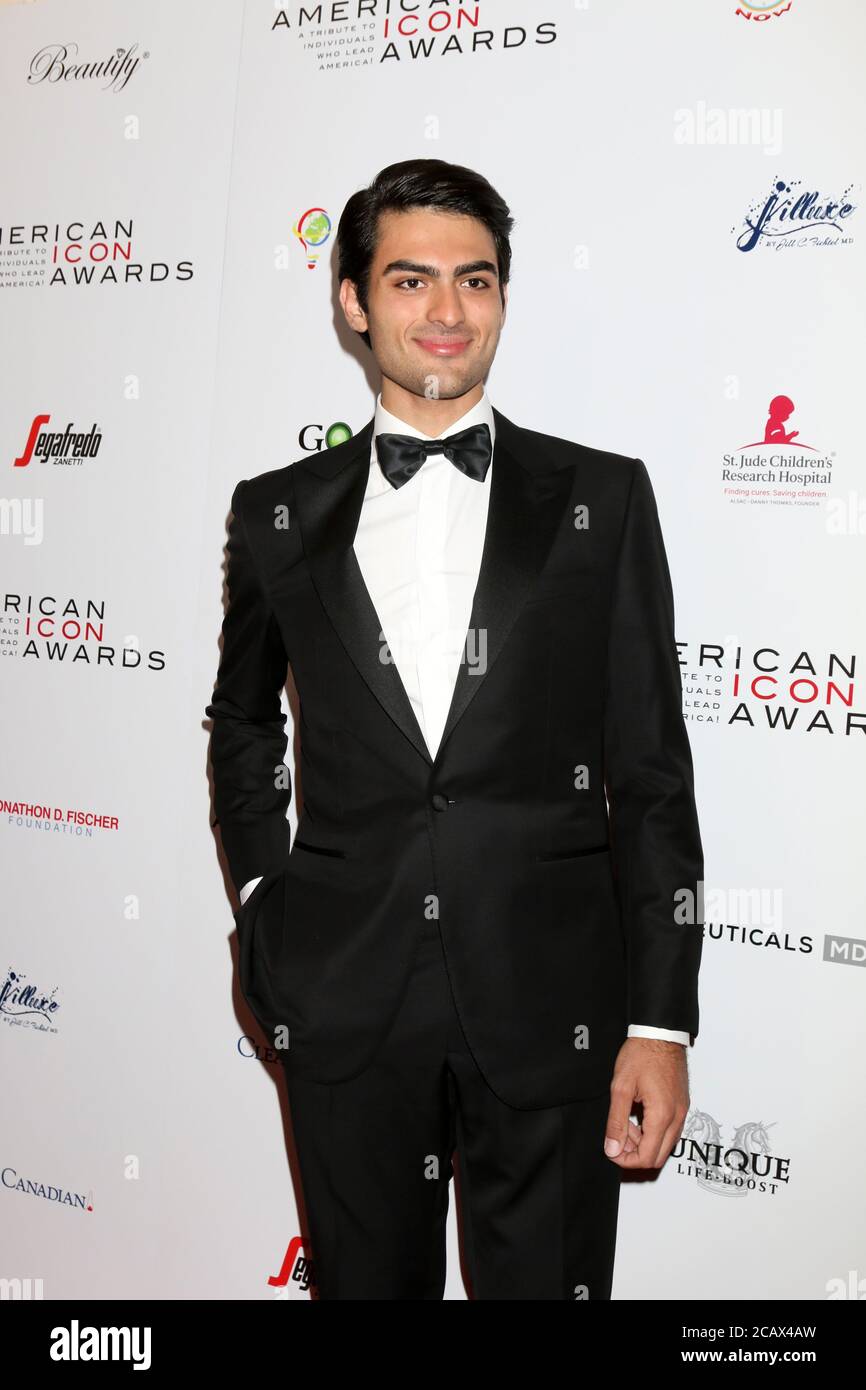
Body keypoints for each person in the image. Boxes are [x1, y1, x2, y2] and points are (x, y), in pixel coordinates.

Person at [206, 158, 704, 1300]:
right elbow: (241, 726)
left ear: (502, 298)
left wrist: (658, 1020)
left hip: (553, 1004)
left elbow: (650, 769)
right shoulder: (274, 510)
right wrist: (259, 907)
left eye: (473, 282)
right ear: (353, 302)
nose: (445, 314)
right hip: (341, 995)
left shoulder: (601, 498)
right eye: (411, 281)